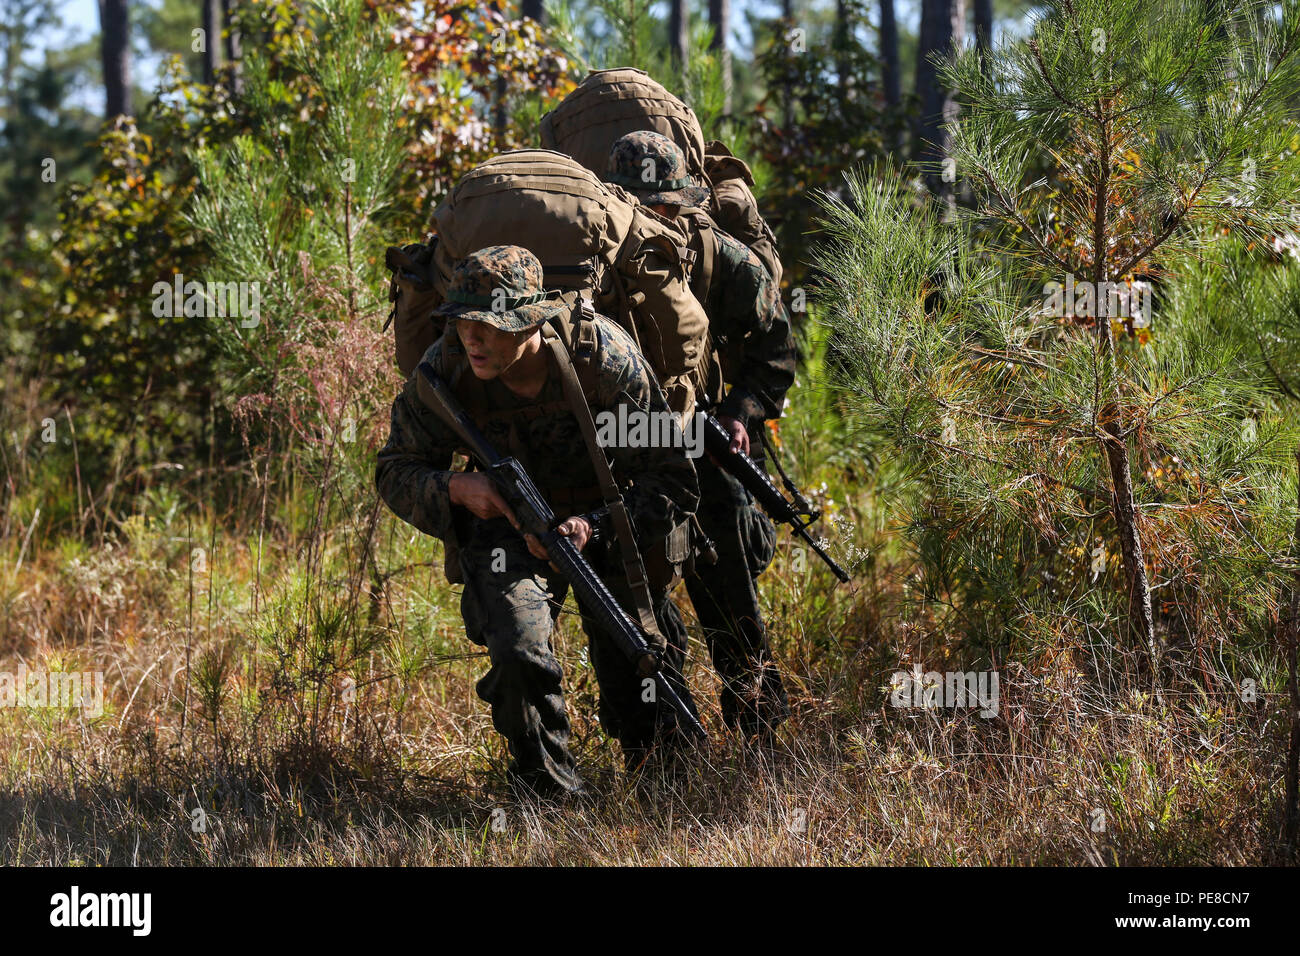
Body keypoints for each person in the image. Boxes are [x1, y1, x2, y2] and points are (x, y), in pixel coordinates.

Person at [375, 245, 701, 799]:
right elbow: (394, 469)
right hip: (508, 523)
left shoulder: (603, 361)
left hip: (607, 519)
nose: (471, 338)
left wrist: (591, 527)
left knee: (636, 662)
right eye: (462, 322)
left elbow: (670, 478)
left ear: (531, 321)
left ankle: (667, 789)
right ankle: (549, 795)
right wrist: (458, 486)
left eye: (488, 325)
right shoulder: (447, 369)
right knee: (518, 649)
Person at [605, 131, 796, 738]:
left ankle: (760, 726)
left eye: (662, 208)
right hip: (628, 449)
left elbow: (777, 347)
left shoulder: (715, 256)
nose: (652, 221)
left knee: (731, 583)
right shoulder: (596, 263)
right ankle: (669, 739)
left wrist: (740, 412)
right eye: (637, 208)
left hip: (705, 440)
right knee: (643, 590)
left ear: (684, 204)